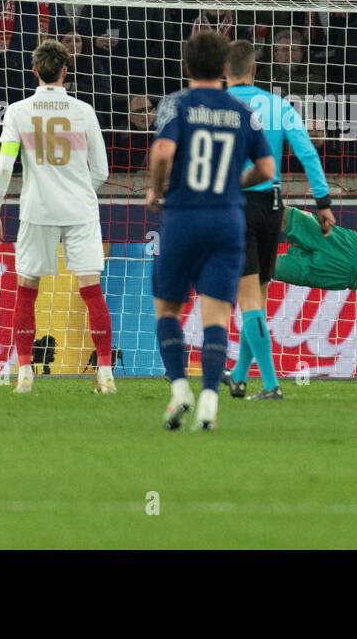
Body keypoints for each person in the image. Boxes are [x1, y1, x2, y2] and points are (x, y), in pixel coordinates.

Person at [147, 31, 275, 431]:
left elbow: (163, 151)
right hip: (227, 220)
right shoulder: (241, 111)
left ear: (186, 66)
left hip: (185, 215)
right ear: (224, 68)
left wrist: (156, 189)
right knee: (217, 314)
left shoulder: (175, 104)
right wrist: (235, 183)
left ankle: (180, 387)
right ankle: (209, 400)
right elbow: (268, 171)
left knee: (168, 308)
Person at [0, 39, 114, 395]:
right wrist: (76, 188)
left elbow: (5, 164)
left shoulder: (18, 112)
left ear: (34, 72)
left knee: (27, 290)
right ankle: (104, 372)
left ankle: (25, 371)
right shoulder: (84, 111)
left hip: (37, 210)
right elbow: (101, 170)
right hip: (80, 210)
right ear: (65, 72)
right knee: (91, 289)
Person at [222, 40, 334, 401]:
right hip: (274, 208)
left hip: (236, 206)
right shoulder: (278, 105)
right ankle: (239, 376)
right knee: (260, 296)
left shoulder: (219, 108)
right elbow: (307, 152)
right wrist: (323, 202)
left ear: (226, 71)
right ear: (255, 69)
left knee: (249, 300)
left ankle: (270, 384)